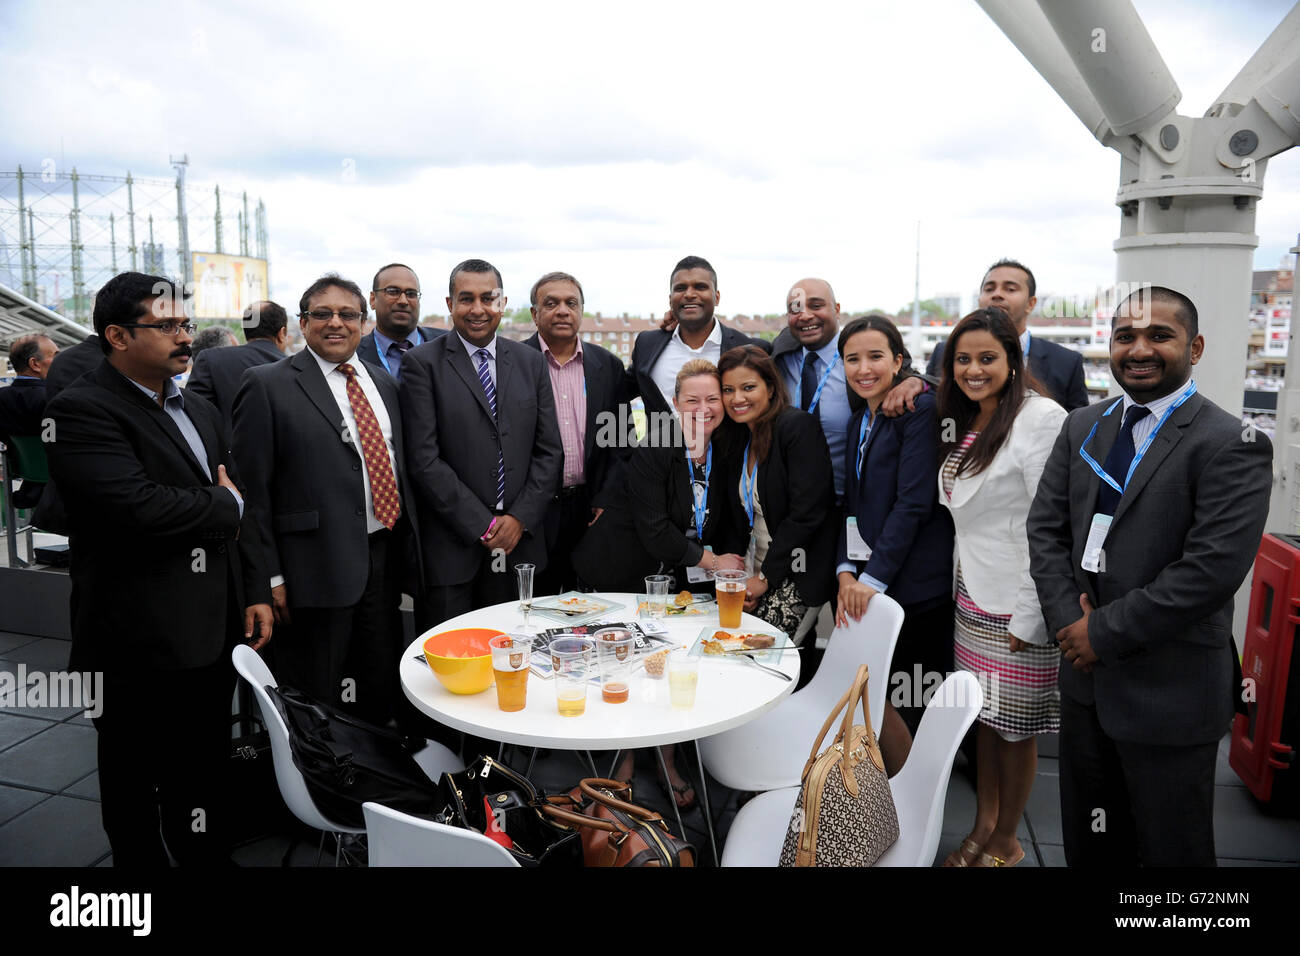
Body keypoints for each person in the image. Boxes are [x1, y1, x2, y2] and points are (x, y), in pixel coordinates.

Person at [1028, 287, 1272, 867]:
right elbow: (1046, 532)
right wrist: (1069, 625)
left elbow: (1209, 571)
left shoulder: (1231, 444)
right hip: (1087, 687)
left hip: (1170, 689)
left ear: (1196, 346)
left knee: (1173, 855)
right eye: (1125, 337)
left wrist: (1101, 634)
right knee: (1093, 843)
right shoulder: (1082, 426)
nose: (1139, 349)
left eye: (1159, 336)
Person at [44, 271, 272, 866]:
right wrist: (225, 505)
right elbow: (136, 508)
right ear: (117, 336)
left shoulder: (197, 406)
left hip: (209, 633)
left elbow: (234, 505)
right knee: (131, 787)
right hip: (132, 645)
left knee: (200, 773)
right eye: (166, 325)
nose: (183, 337)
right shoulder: (79, 410)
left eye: (186, 324)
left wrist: (251, 589)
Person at [232, 274, 416, 726]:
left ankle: (376, 779)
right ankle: (314, 787)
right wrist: (268, 577)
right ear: (302, 323)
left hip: (383, 558)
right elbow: (251, 495)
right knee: (315, 695)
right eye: (323, 314)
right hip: (310, 570)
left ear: (363, 322)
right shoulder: (267, 384)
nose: (336, 323)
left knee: (378, 686)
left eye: (347, 314)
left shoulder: (383, 383)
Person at [572, 359, 746, 808]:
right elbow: (653, 529)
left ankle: (667, 760)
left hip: (673, 577)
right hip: (622, 571)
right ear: (674, 403)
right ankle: (624, 759)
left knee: (671, 664)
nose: (704, 408)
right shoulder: (657, 445)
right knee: (623, 663)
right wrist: (712, 561)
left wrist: (731, 561)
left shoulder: (727, 447)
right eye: (692, 400)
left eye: (713, 399)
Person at [935, 307, 1066, 867]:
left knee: (1016, 729)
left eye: (987, 358)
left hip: (1019, 601)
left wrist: (1032, 615)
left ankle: (1008, 841)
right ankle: (984, 824)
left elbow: (1050, 522)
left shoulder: (1041, 418)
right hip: (971, 596)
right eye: (962, 359)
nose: (973, 369)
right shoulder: (969, 418)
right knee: (983, 722)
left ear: (1013, 361)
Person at [400, 259, 562, 625]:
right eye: (466, 299)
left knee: (519, 655)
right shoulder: (421, 364)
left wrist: (519, 518)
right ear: (449, 304)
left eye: (488, 298)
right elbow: (424, 460)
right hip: (452, 552)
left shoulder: (530, 362)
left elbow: (550, 450)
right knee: (450, 666)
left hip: (522, 547)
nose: (478, 309)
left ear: (502, 303)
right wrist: (484, 525)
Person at [834, 316, 954, 775]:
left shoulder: (917, 410)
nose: (864, 368)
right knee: (877, 698)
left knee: (912, 705)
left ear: (899, 361)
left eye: (876, 356)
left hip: (916, 589)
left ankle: (917, 808)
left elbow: (913, 504)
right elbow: (851, 502)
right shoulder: (857, 420)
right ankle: (886, 800)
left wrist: (873, 579)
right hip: (872, 583)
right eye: (853, 359)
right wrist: (847, 569)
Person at [718, 345, 837, 637]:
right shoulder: (739, 437)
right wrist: (741, 577)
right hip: (754, 571)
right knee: (727, 645)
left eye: (748, 387)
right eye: (728, 390)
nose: (737, 398)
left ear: (770, 388)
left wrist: (765, 578)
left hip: (796, 570)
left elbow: (806, 514)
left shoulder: (796, 427)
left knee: (759, 654)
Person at [523, 271, 629, 595]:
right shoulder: (515, 363)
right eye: (551, 303)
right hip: (536, 511)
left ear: (581, 310)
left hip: (590, 508)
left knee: (588, 606)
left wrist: (606, 498)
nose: (562, 311)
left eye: (571, 303)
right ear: (534, 313)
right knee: (536, 605)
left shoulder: (608, 365)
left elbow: (622, 439)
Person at [888, 258, 1089, 414]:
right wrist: (919, 382)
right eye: (989, 288)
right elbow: (938, 402)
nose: (997, 294)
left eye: (1010, 289)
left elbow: (1077, 433)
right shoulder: (944, 351)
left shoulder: (1066, 362)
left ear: (1031, 303)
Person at [624, 255, 770, 420]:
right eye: (680, 288)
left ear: (717, 297)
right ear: (670, 298)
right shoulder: (647, 344)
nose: (689, 294)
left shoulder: (749, 349)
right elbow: (616, 392)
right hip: (661, 444)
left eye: (700, 287)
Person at [186, 301, 289, 429]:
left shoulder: (210, 359)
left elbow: (193, 414)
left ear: (246, 330)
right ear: (282, 333)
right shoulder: (300, 370)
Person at [356, 263, 445, 380]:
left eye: (411, 294)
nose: (403, 301)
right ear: (373, 299)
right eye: (393, 291)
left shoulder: (448, 346)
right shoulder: (353, 354)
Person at [0, 333, 58, 507]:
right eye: (55, 356)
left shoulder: (2, 398)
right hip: (60, 479)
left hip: (23, 472)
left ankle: (34, 490)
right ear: (35, 364)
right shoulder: (55, 399)